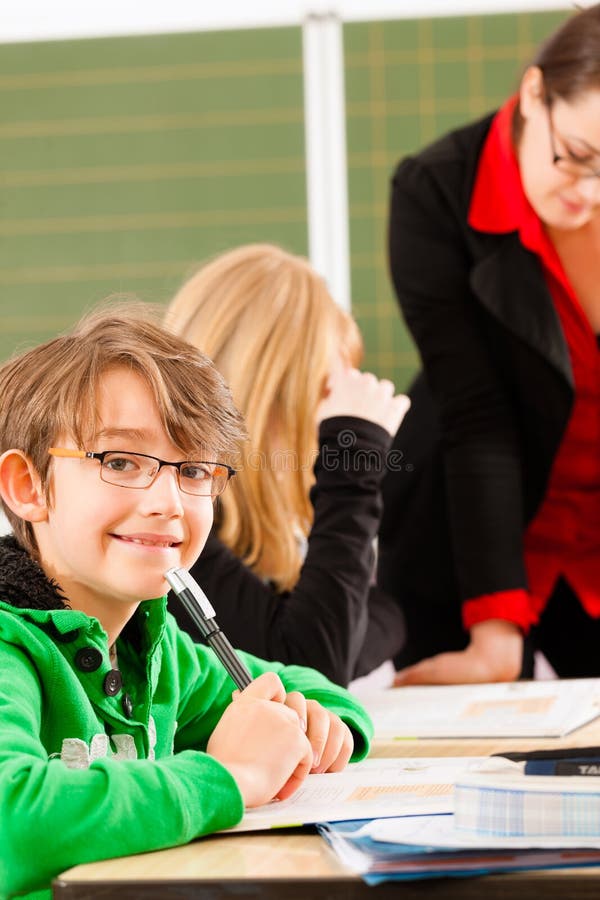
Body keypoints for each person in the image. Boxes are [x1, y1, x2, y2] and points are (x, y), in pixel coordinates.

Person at [0, 306, 373, 900]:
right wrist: (231, 776)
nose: (168, 501)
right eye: (120, 461)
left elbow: (310, 685)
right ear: (28, 487)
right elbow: (11, 823)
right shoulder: (10, 647)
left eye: (195, 469)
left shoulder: (158, 649)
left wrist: (321, 724)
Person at [379, 4, 600, 685]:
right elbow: (479, 418)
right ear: (535, 92)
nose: (589, 192)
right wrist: (496, 635)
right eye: (578, 156)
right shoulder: (434, 193)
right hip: (468, 537)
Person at [163, 244, 409, 686]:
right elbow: (313, 669)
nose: (324, 423)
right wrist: (351, 462)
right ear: (270, 394)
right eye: (325, 396)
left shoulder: (271, 524)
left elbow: (382, 616)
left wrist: (354, 635)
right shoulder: (172, 520)